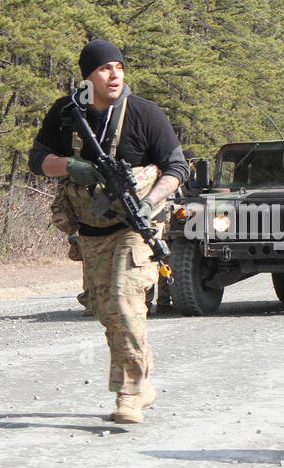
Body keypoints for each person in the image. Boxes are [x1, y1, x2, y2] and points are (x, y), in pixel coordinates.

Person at [29, 40, 188, 425]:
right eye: (104, 69)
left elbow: (177, 167)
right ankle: (143, 380)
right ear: (88, 75)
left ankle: (130, 394)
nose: (114, 75)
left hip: (136, 225)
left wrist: (151, 205)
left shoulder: (145, 114)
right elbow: (38, 160)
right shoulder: (68, 112)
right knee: (108, 311)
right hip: (91, 228)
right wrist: (71, 166)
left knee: (123, 300)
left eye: (118, 67)